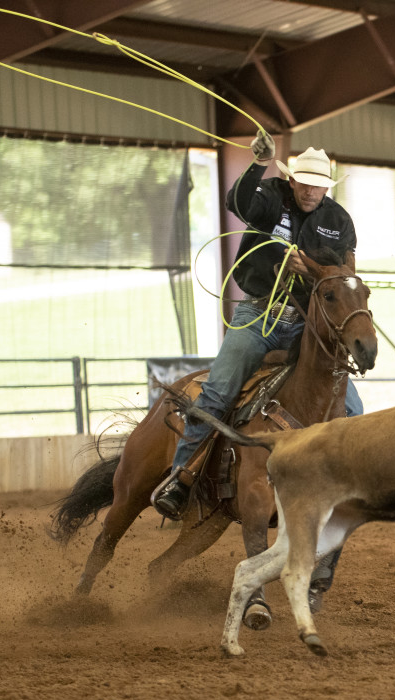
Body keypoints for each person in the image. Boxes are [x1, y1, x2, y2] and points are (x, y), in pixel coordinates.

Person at [154, 132, 362, 519]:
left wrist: (314, 272)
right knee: (217, 392)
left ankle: (347, 487)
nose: (311, 191)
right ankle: (180, 478)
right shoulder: (269, 195)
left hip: (306, 323)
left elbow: (346, 275)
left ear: (326, 187)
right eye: (305, 183)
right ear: (292, 180)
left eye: (319, 185)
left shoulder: (338, 220)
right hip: (258, 314)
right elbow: (239, 202)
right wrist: (258, 164)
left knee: (351, 406)